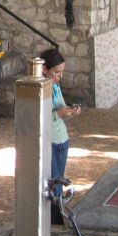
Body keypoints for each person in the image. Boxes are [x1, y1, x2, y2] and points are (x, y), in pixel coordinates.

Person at [40, 47, 80, 225]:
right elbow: (41, 116)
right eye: (56, 72)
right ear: (44, 69)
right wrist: (59, 113)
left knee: (60, 178)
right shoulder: (41, 89)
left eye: (61, 72)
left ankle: (58, 214)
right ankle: (54, 218)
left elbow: (61, 107)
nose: (59, 76)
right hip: (52, 141)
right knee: (53, 181)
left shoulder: (55, 86)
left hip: (62, 138)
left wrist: (71, 110)